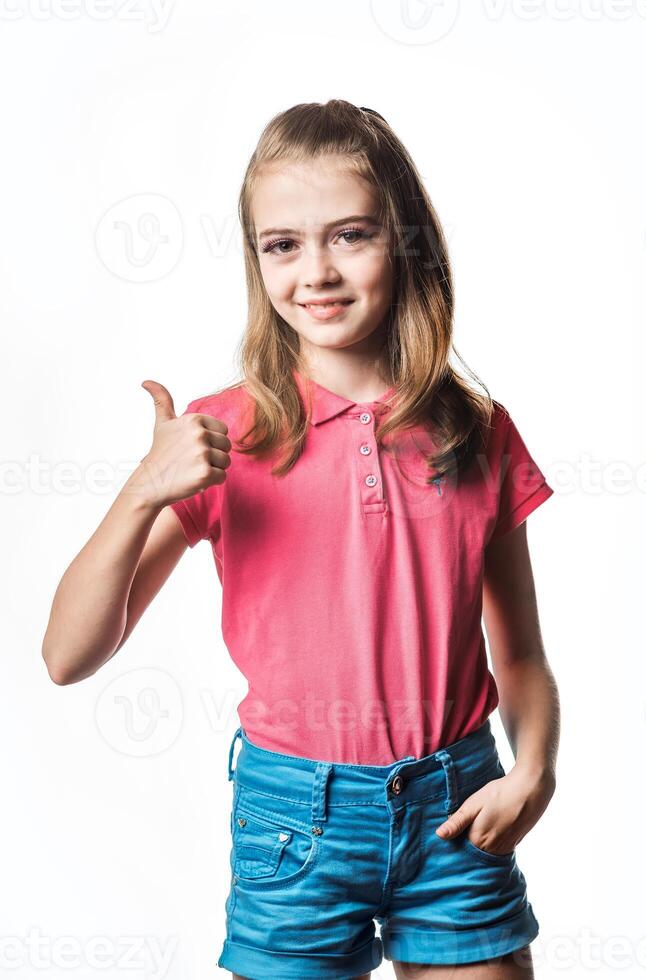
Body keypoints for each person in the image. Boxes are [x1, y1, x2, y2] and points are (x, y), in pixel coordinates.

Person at [43, 100, 560, 980]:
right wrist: (140, 494)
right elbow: (67, 654)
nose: (314, 271)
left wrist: (535, 773)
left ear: (403, 243)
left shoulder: (477, 431)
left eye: (349, 235)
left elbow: (519, 659)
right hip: (295, 824)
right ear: (257, 261)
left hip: (457, 807)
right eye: (281, 244)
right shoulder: (224, 434)